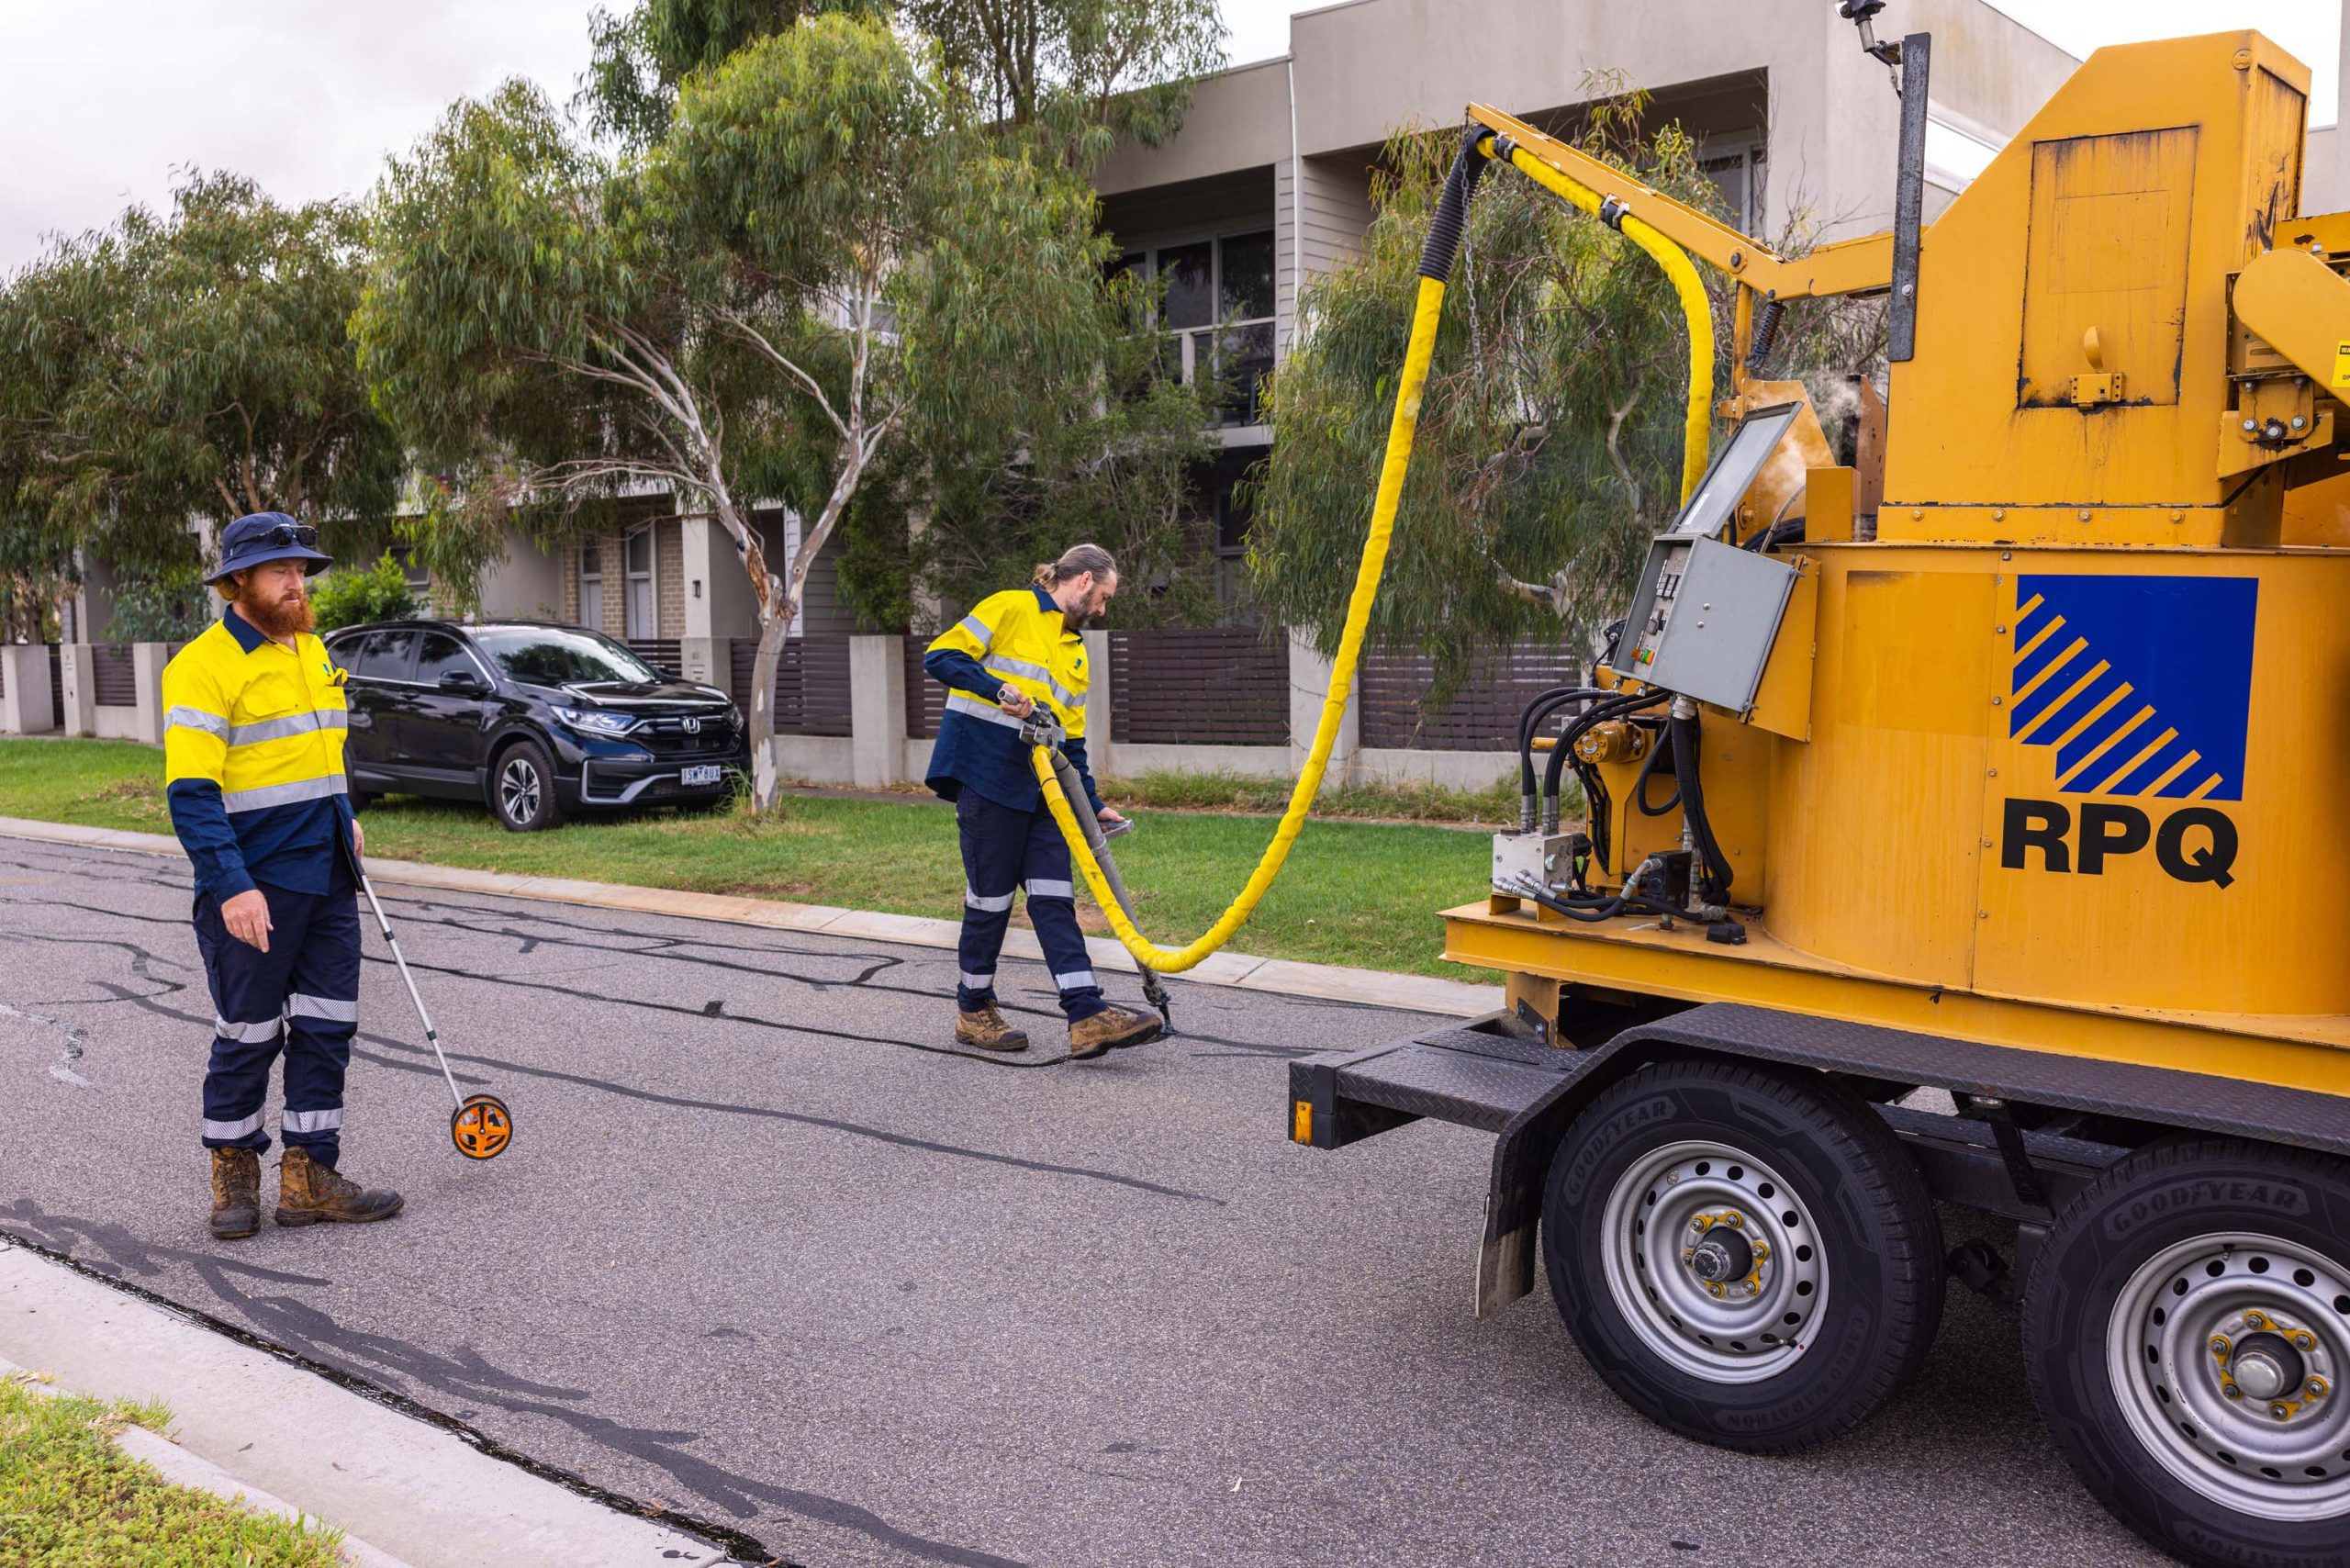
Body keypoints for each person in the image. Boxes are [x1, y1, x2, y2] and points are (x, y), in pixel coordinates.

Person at [163, 512, 403, 1240]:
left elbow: (322, 754)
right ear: (238, 582)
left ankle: (309, 1176)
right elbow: (193, 796)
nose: (298, 582)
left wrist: (344, 813)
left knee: (328, 1029)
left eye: (301, 570)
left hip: (328, 874)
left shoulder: (311, 650)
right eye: (281, 571)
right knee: (249, 1034)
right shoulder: (201, 667)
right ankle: (234, 1172)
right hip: (255, 885)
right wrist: (231, 885)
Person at [923, 543, 1163, 1059]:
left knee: (1055, 898)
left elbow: (1071, 741)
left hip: (1044, 790)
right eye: (1102, 596)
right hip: (987, 778)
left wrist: (1092, 802)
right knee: (990, 900)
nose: (1102, 608)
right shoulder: (1009, 607)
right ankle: (973, 1010)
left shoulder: (1074, 650)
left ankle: (1086, 1013)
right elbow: (940, 656)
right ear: (1082, 581)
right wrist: (999, 690)